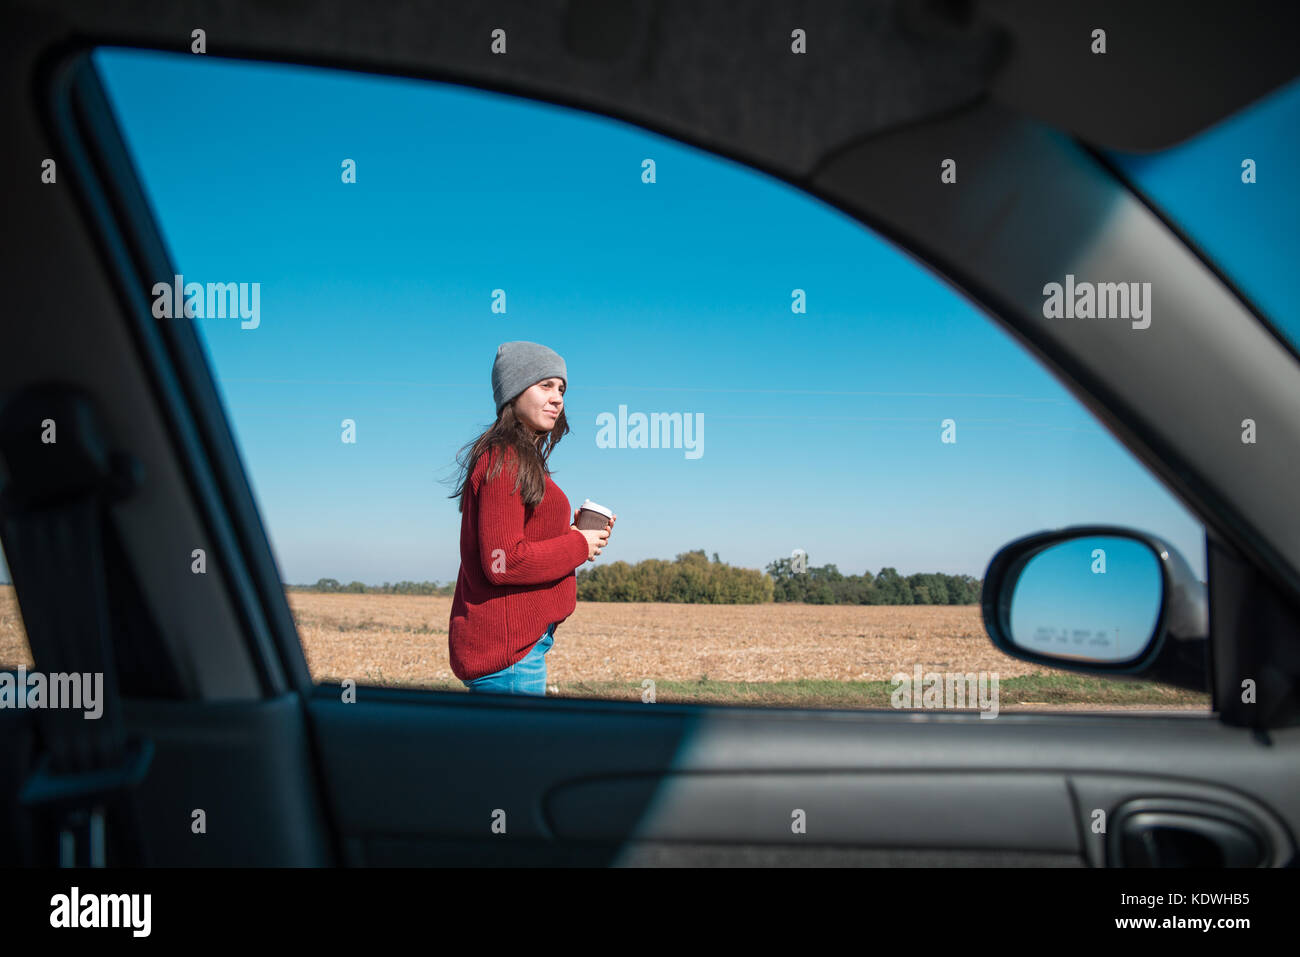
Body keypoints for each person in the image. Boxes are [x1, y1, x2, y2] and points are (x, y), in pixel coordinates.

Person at [446, 341, 615, 695]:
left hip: (518, 651)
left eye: (562, 389)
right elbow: (503, 562)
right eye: (545, 385)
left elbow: (516, 544)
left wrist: (572, 535)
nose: (557, 398)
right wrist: (576, 544)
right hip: (509, 659)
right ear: (513, 390)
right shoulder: (504, 459)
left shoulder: (517, 459)